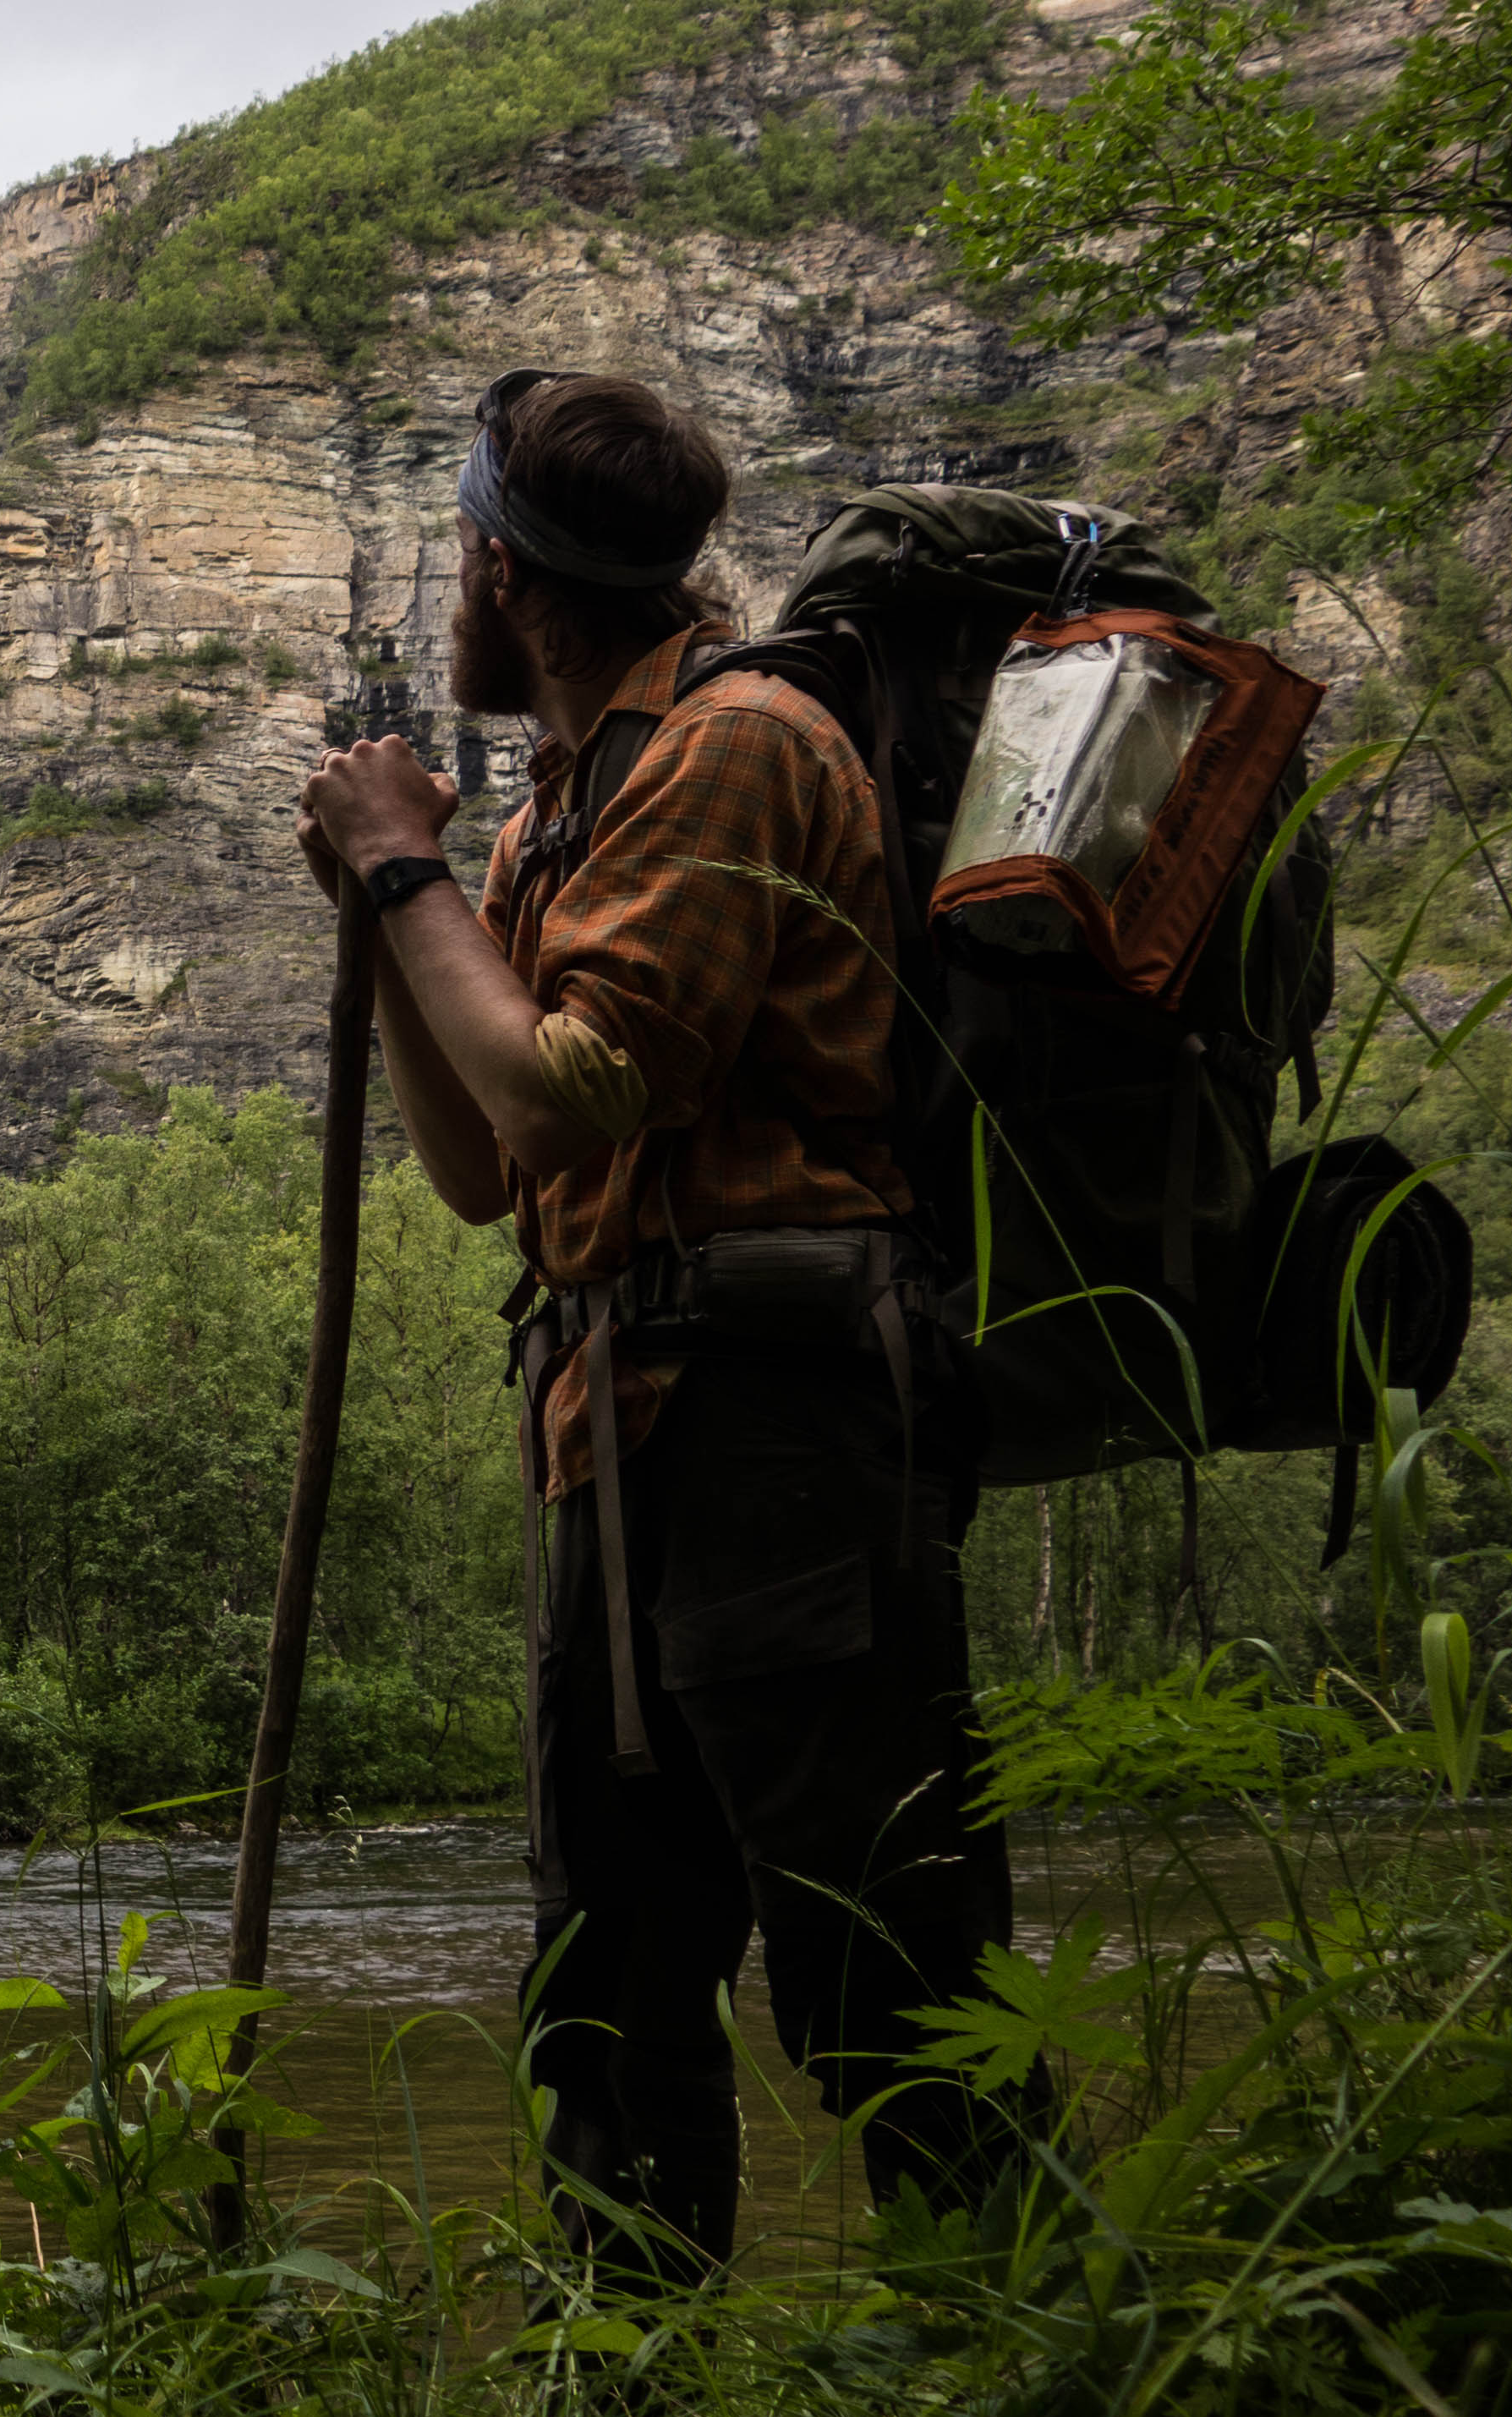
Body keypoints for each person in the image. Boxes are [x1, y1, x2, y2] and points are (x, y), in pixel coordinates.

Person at [297, 369, 1029, 2289]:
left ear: (495, 564)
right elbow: (484, 1168)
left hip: (783, 1432)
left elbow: (577, 1089)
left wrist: (400, 870)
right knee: (607, 1993)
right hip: (615, 1441)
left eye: (456, 544)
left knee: (887, 1963)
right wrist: (405, 920)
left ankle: (1042, 2411)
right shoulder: (565, 812)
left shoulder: (733, 746)